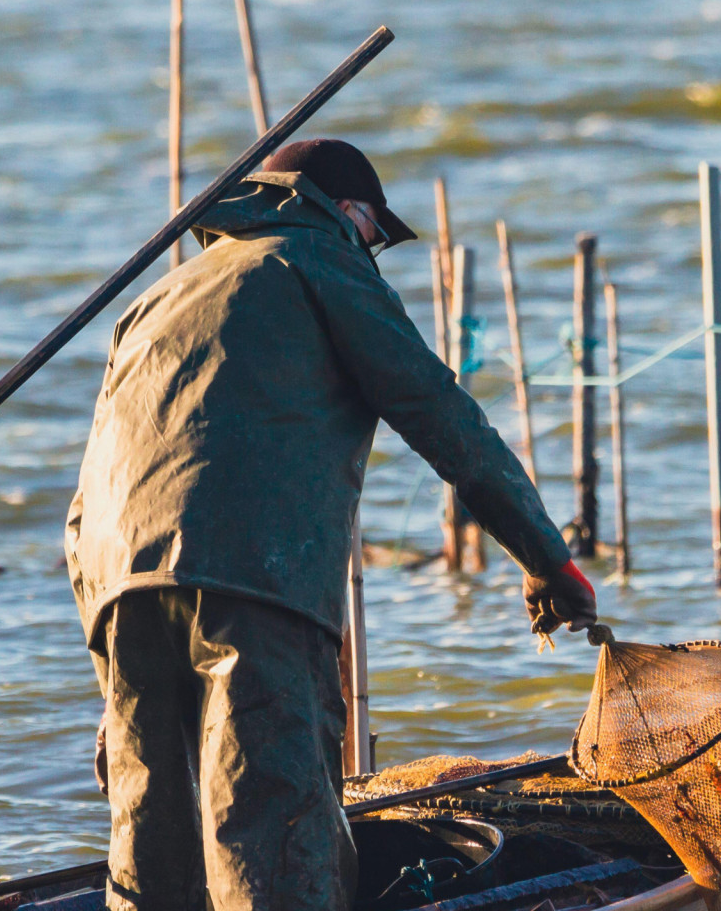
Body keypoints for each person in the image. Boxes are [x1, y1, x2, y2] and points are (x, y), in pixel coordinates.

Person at [65, 139, 599, 911]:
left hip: (118, 590)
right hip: (256, 581)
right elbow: (441, 414)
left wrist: (110, 676)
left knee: (154, 863)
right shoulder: (319, 258)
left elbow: (84, 508)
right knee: (274, 841)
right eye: (376, 233)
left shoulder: (156, 299)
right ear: (348, 212)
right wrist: (547, 558)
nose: (372, 249)